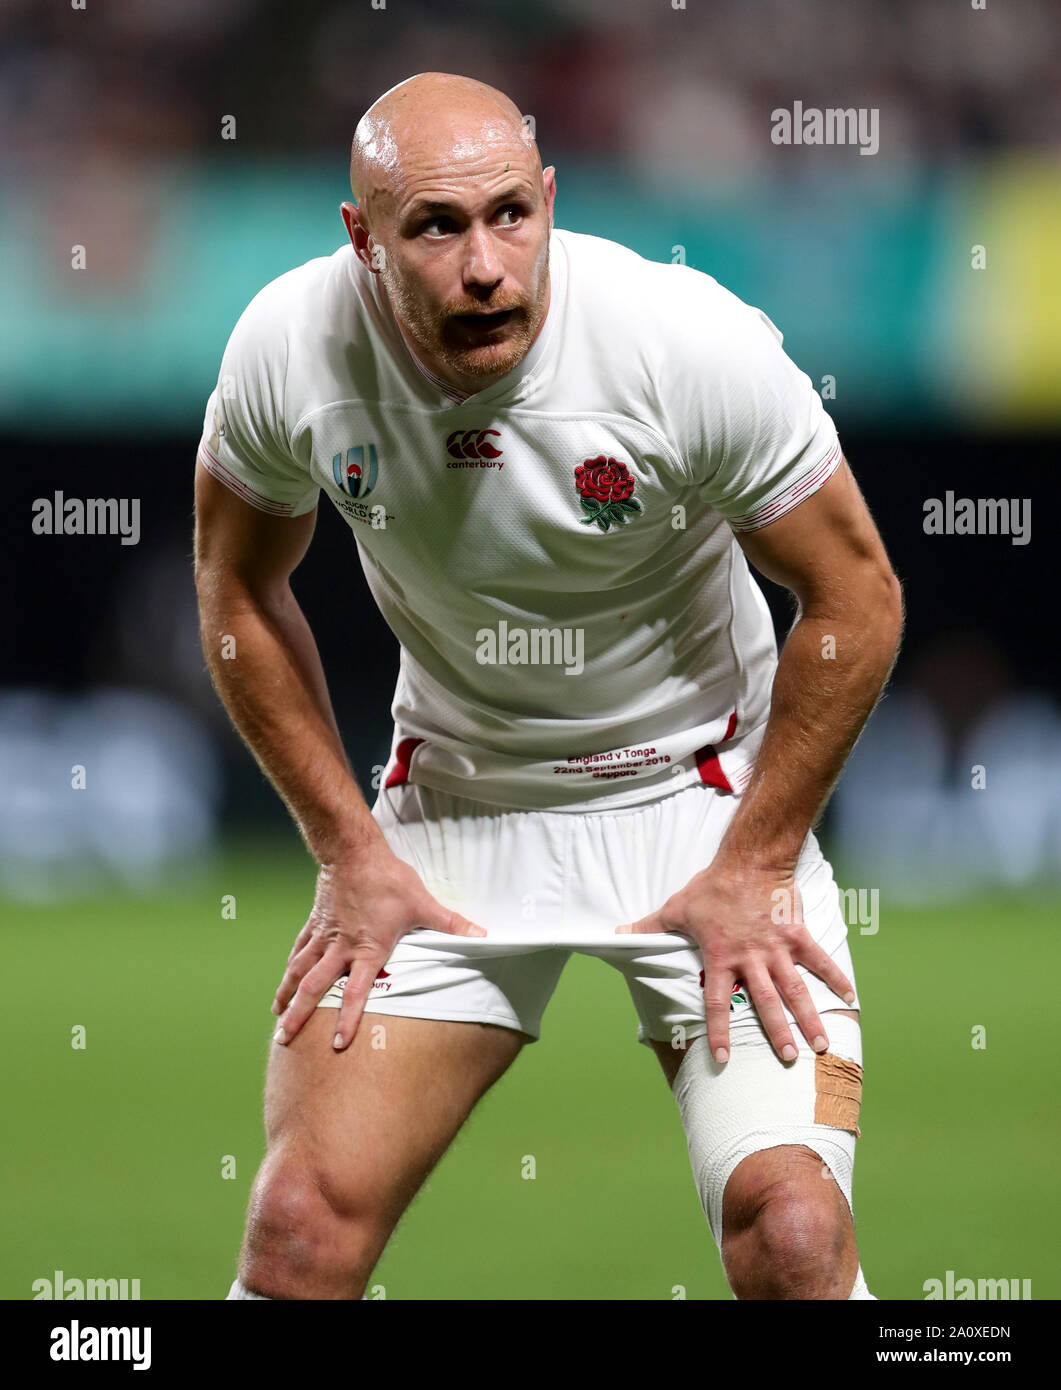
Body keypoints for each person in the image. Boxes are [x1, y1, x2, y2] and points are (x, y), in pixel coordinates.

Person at [194, 71, 903, 1301]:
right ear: (361, 238)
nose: (486, 266)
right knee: (298, 1232)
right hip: (454, 807)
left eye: (511, 215)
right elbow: (237, 593)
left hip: (702, 802)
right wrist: (347, 851)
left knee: (790, 1238)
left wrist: (756, 857)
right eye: (435, 227)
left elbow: (855, 597)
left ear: (551, 202)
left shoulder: (683, 343)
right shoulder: (287, 346)